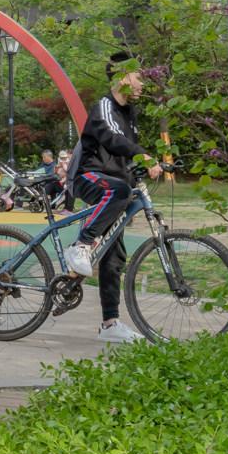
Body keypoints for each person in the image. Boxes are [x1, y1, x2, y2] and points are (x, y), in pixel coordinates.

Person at [63, 52, 164, 343]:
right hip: (88, 177)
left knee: (114, 255)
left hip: (115, 184)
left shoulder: (130, 113)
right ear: (122, 77)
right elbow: (112, 139)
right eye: (138, 77)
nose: (143, 83)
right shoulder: (104, 107)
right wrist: (143, 155)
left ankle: (110, 324)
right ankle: (80, 246)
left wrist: (142, 167)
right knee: (118, 190)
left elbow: (125, 154)